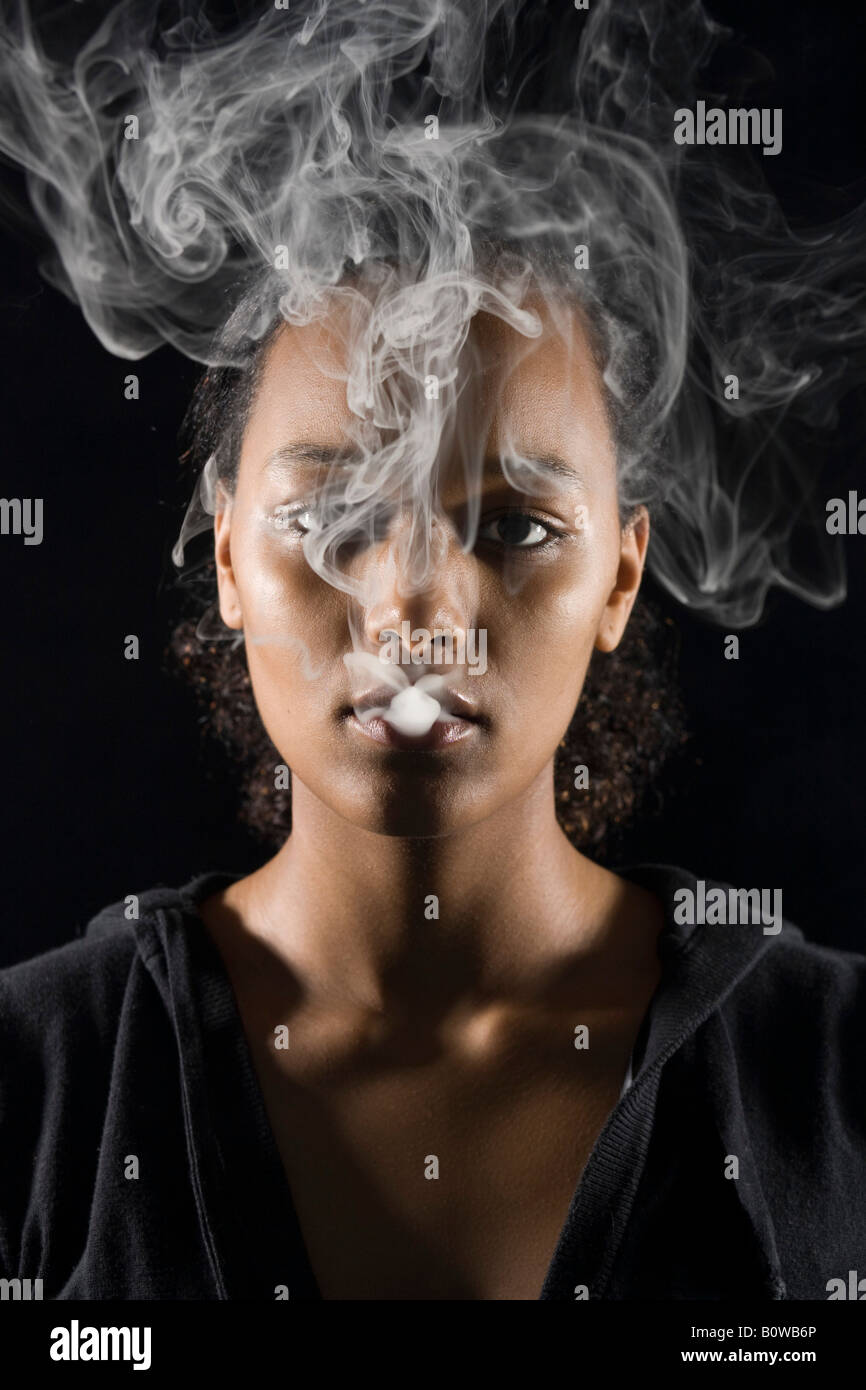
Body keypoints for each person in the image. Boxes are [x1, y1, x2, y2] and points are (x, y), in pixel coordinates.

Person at [1, 271, 864, 1302]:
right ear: (229, 553)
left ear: (619, 579)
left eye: (515, 527)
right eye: (332, 516)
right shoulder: (33, 1078)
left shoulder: (837, 1073)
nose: (414, 612)